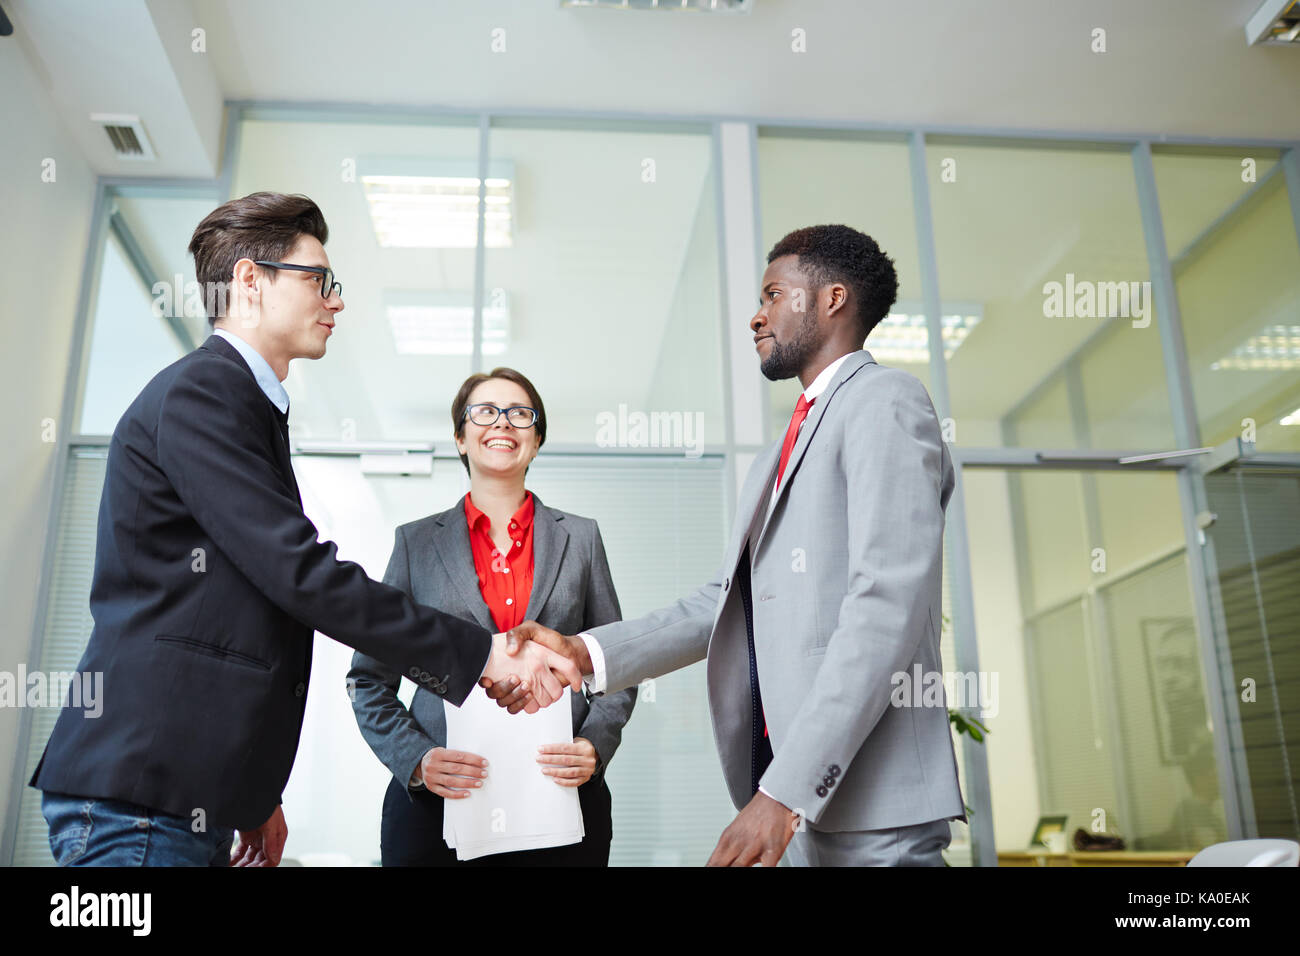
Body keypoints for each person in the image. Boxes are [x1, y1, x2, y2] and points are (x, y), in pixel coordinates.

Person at [30, 192, 578, 867]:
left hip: (177, 792)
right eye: (318, 280)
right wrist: (486, 655)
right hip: (142, 792)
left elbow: (239, 608)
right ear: (251, 282)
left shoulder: (243, 406)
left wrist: (254, 793)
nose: (335, 301)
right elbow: (301, 576)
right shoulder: (204, 395)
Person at [492, 224, 967, 866]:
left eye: (774, 293)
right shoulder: (779, 449)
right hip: (796, 802)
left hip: (863, 802)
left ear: (831, 299)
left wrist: (785, 792)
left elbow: (886, 607)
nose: (756, 314)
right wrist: (585, 652)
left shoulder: (886, 400)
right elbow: (722, 601)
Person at [349, 368, 637, 866]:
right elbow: (368, 680)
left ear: (537, 438)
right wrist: (415, 760)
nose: (503, 423)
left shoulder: (582, 539)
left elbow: (615, 667)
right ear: (461, 437)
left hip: (560, 797)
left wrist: (594, 745)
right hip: (438, 803)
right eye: (484, 412)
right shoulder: (416, 545)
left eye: (520, 414)